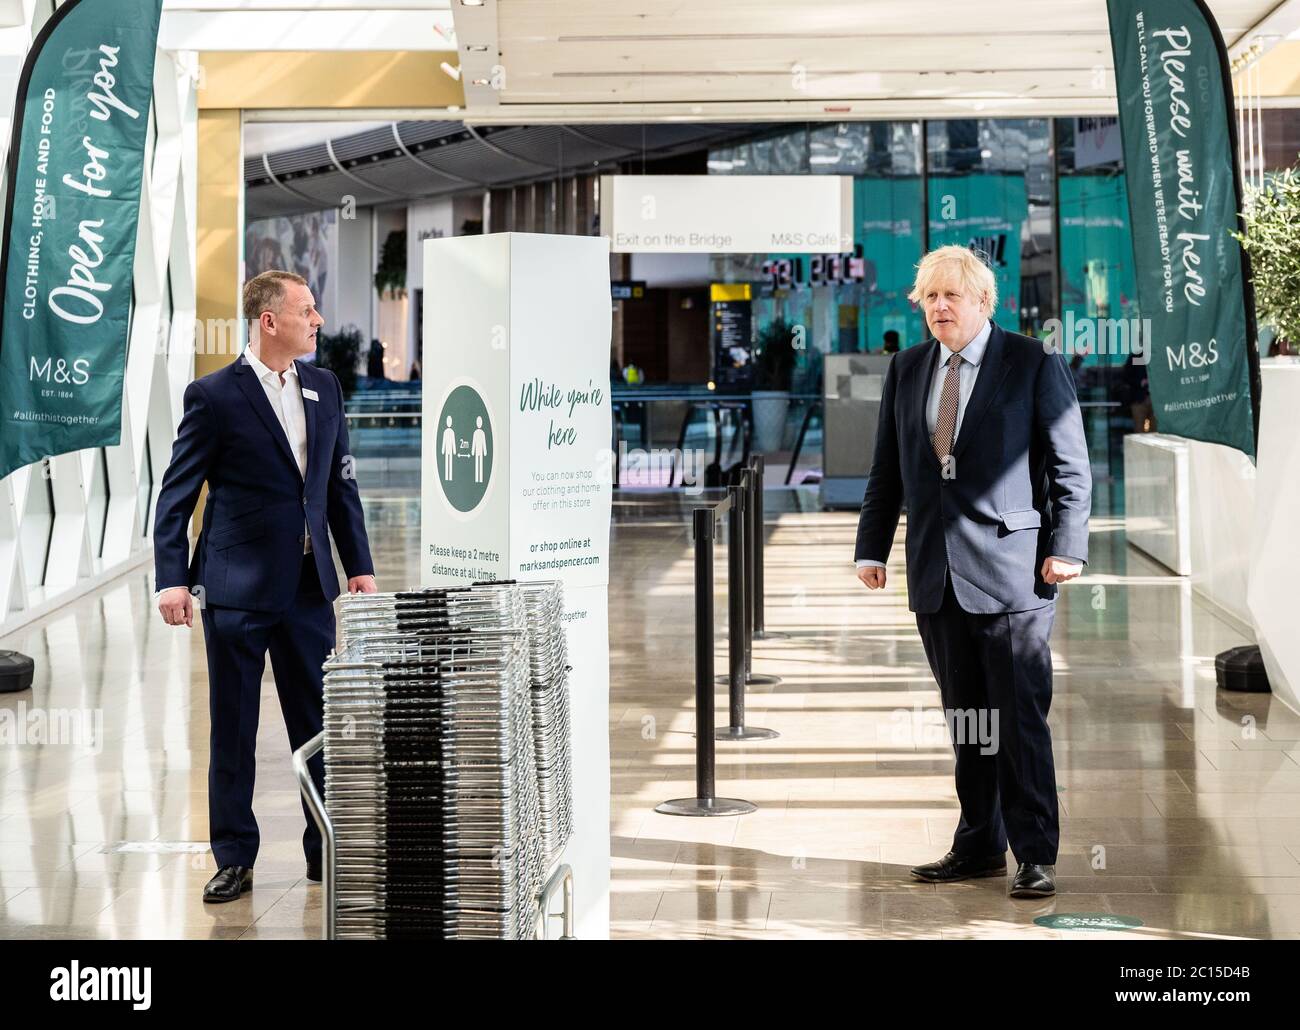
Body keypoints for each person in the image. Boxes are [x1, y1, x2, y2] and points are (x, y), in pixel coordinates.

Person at [854, 245, 1091, 898]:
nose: (939, 307)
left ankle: (1034, 852)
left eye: (951, 295)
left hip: (1014, 575)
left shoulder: (1031, 363)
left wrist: (1067, 544)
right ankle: (979, 844)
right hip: (937, 575)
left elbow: (1070, 463)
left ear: (983, 302)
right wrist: (871, 548)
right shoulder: (906, 369)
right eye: (929, 297)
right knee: (969, 723)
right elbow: (888, 469)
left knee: (1017, 721)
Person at [153, 270, 377, 903]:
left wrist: (357, 565)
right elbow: (177, 494)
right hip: (236, 591)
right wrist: (173, 579)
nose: (319, 321)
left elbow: (340, 484)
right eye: (308, 311)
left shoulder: (324, 387)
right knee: (234, 727)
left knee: (318, 724)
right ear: (268, 321)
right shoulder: (215, 396)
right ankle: (234, 856)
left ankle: (324, 849)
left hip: (308, 589)